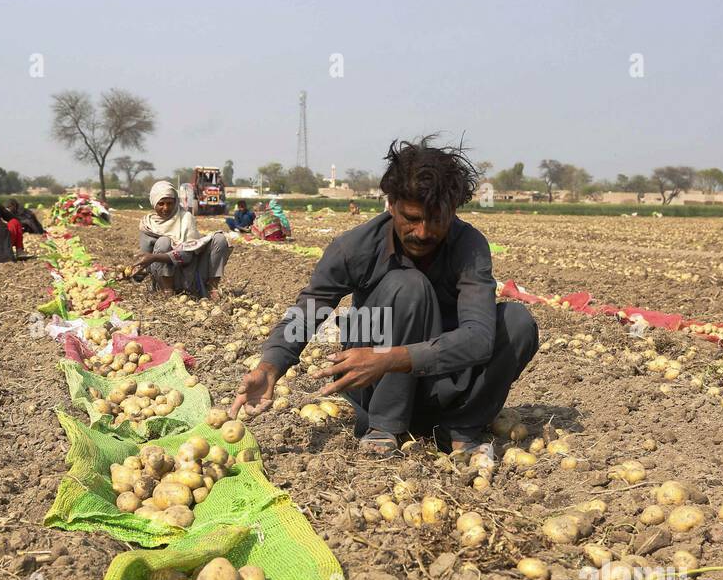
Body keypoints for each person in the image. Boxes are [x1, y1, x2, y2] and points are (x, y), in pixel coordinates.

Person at [229, 137, 538, 459]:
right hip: (373, 382)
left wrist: (393, 358)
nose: (423, 232)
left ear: (452, 211)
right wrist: (271, 365)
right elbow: (311, 307)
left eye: (436, 220)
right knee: (409, 285)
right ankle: (385, 424)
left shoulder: (469, 246)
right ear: (391, 204)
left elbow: (479, 338)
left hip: (441, 381)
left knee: (517, 321)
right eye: (412, 218)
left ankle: (459, 428)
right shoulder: (355, 247)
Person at [132, 180, 231, 297]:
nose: (165, 208)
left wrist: (154, 257)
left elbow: (187, 255)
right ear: (154, 203)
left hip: (192, 274)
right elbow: (146, 263)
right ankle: (167, 291)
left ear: (176, 202)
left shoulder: (186, 218)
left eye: (170, 203)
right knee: (164, 241)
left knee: (219, 238)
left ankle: (212, 288)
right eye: (161, 204)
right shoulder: (148, 225)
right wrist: (136, 273)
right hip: (163, 279)